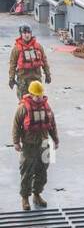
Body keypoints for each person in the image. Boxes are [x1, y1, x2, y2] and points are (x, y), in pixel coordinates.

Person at [12, 79, 57, 211]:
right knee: (26, 171)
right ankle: (25, 198)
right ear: (31, 94)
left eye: (41, 95)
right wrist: (16, 142)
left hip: (44, 143)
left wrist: (56, 140)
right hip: (29, 145)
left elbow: (52, 124)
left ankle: (37, 194)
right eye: (36, 95)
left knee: (42, 170)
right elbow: (16, 125)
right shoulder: (23, 108)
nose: (39, 97)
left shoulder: (47, 107)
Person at [8, 24, 51, 100]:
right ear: (21, 34)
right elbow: (12, 64)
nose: (27, 35)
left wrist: (48, 74)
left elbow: (44, 61)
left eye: (28, 32)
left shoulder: (38, 47)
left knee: (38, 102)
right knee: (24, 102)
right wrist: (11, 78)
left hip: (36, 79)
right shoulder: (16, 49)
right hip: (23, 81)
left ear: (31, 33)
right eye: (24, 33)